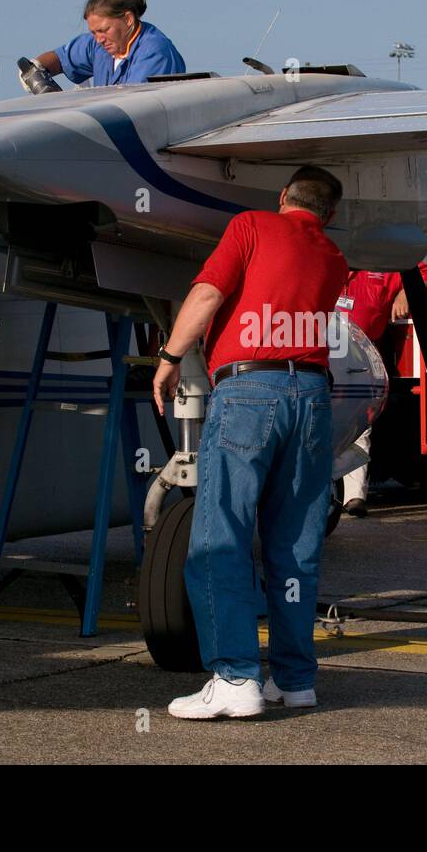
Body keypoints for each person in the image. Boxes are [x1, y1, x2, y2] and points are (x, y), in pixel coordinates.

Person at [152, 166, 349, 719]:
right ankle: (294, 679)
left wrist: (169, 357)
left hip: (248, 391)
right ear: (329, 215)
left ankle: (236, 677)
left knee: (221, 537)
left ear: (282, 196)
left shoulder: (251, 225)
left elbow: (209, 292)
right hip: (311, 396)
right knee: (296, 543)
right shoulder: (334, 257)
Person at [336, 263, 427, 516]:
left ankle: (354, 498)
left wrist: (405, 292)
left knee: (358, 429)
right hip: (320, 357)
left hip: (358, 363)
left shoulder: (383, 265)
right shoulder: (323, 260)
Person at [24, 0, 185, 89]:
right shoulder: (98, 44)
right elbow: (59, 58)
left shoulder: (155, 52)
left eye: (105, 30)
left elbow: (134, 109)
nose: (99, 39)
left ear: (128, 19)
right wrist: (35, 70)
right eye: (94, 32)